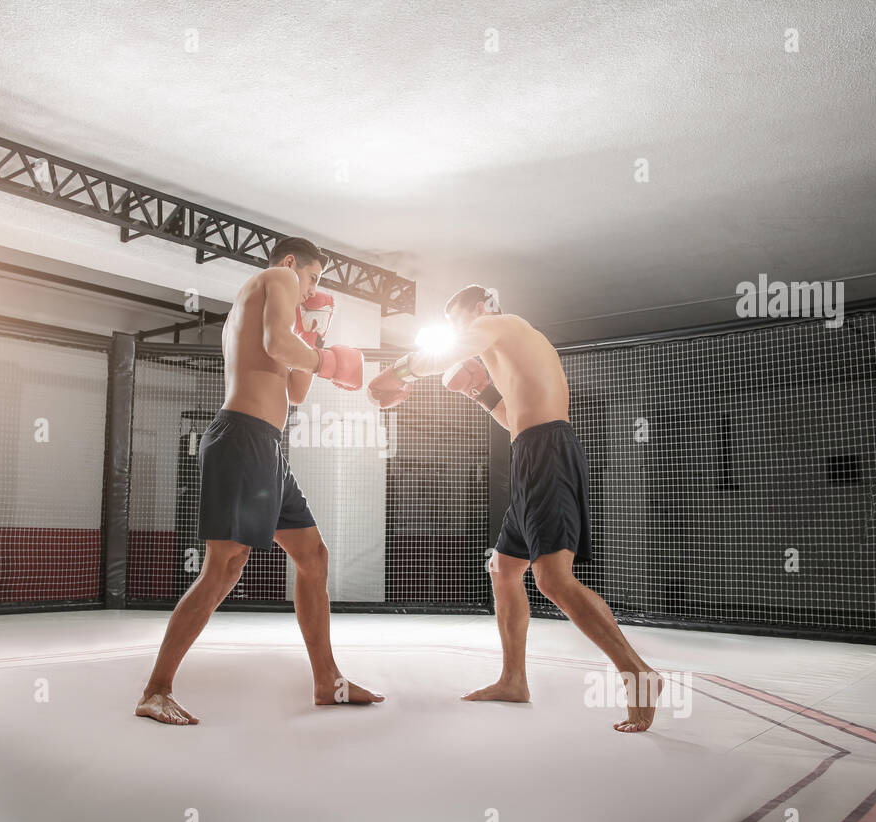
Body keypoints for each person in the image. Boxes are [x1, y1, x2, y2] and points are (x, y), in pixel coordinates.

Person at [368, 284, 661, 732]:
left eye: (459, 323)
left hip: (548, 452)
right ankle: (513, 679)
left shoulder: (500, 324)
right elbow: (513, 418)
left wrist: (393, 374)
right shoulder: (509, 351)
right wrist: (482, 392)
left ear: (481, 310)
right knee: (504, 569)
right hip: (529, 452)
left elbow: (437, 358)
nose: (460, 332)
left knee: (553, 579)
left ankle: (637, 674)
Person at [136, 237, 384, 725]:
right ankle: (156, 689)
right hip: (241, 439)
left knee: (313, 557)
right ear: (293, 263)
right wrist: (331, 362)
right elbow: (275, 345)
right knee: (224, 568)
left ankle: (326, 682)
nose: (311, 290)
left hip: (267, 447)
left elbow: (293, 390)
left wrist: (313, 341)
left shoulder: (279, 312)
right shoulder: (277, 277)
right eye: (314, 278)